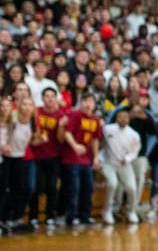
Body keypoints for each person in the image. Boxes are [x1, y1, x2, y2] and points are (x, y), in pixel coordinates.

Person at [59, 92, 102, 226]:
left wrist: (95, 157)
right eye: (86, 101)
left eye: (91, 102)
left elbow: (95, 139)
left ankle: (85, 215)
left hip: (86, 160)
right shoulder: (75, 115)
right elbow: (67, 133)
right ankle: (71, 216)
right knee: (74, 188)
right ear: (81, 103)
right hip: (71, 159)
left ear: (94, 105)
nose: (88, 104)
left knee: (88, 188)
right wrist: (75, 146)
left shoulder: (95, 119)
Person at [30, 88, 65, 228]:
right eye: (47, 96)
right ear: (42, 98)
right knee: (36, 187)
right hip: (35, 155)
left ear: (56, 99)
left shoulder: (60, 115)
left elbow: (61, 140)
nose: (49, 99)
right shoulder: (36, 111)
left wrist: (61, 127)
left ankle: (50, 216)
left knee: (51, 187)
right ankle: (33, 217)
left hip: (53, 156)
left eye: (52, 96)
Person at [100, 108, 141, 225]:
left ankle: (132, 212)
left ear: (129, 119)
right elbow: (99, 140)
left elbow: (135, 151)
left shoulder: (134, 135)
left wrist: (127, 158)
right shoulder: (107, 129)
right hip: (108, 162)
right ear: (116, 118)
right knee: (112, 183)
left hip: (124, 164)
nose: (123, 119)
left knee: (132, 188)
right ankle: (107, 211)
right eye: (120, 117)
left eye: (125, 117)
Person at [1, 97, 36, 232]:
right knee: (4, 189)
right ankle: (3, 218)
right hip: (7, 158)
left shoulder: (32, 122)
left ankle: (14, 218)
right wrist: (4, 146)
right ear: (19, 107)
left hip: (20, 158)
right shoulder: (12, 121)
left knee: (20, 189)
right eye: (24, 104)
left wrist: (38, 139)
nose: (27, 107)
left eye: (29, 105)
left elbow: (28, 141)